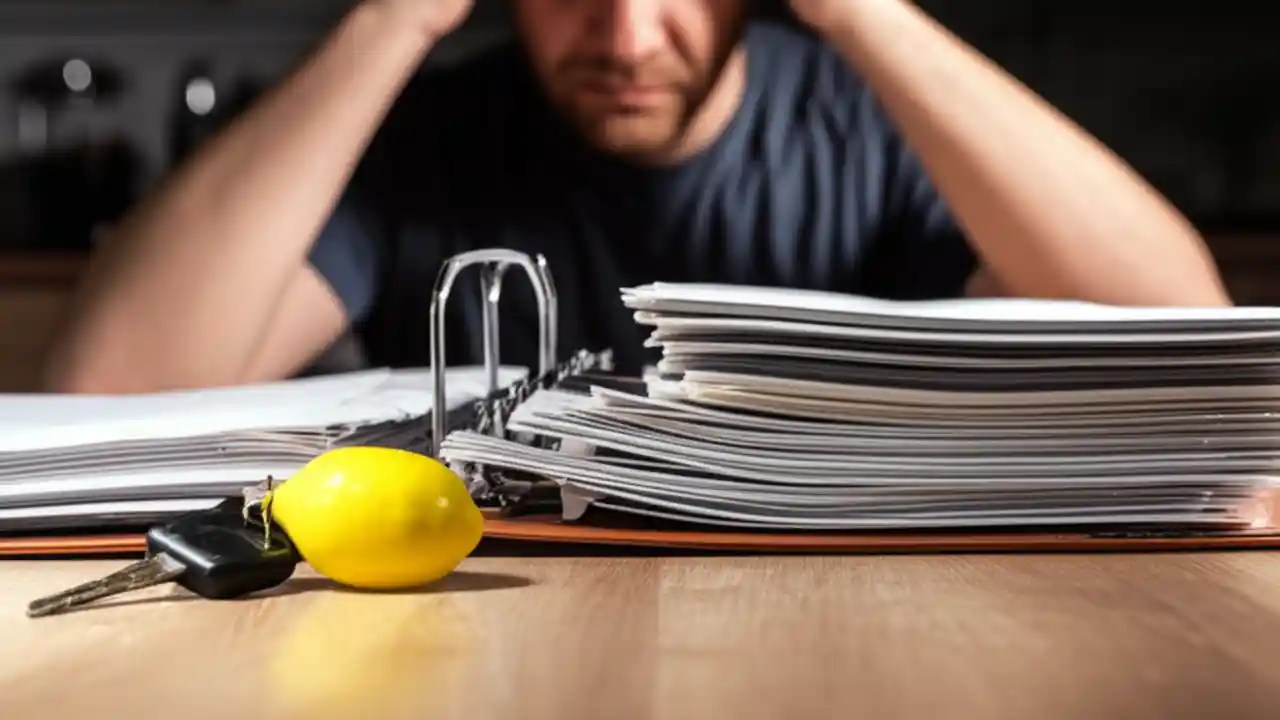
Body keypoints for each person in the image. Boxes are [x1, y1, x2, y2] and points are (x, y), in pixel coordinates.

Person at [44, 0, 1230, 392]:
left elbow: (1186, 343)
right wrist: (393, 16)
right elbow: (100, 393)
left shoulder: (873, 125)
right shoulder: (432, 134)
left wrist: (858, 10)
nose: (625, 36)